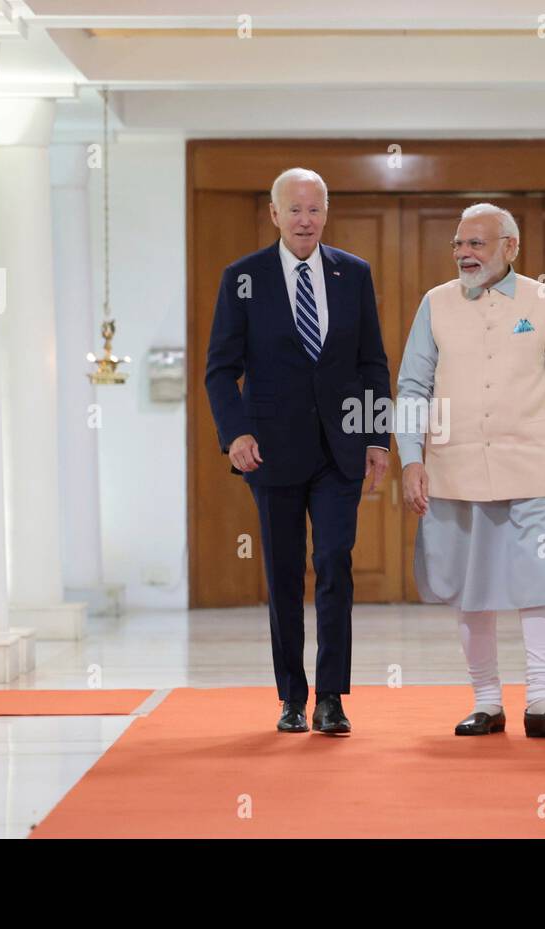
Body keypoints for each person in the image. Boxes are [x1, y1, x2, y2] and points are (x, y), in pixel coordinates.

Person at [396, 202, 545, 737]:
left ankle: (542, 702)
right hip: (454, 471)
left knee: (540, 581)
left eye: (476, 244)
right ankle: (486, 702)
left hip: (533, 470)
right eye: (459, 245)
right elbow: (412, 389)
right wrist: (410, 458)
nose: (464, 254)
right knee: (470, 586)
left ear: (510, 247)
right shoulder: (435, 304)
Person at [205, 167, 391, 735]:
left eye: (315, 209)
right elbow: (221, 369)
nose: (305, 219)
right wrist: (235, 433)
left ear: (326, 213)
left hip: (340, 451)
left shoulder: (352, 273)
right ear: (275, 214)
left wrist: (377, 437)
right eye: (295, 209)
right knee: (284, 573)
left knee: (334, 563)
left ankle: (331, 697)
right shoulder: (243, 277)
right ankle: (292, 696)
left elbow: (371, 363)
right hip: (271, 453)